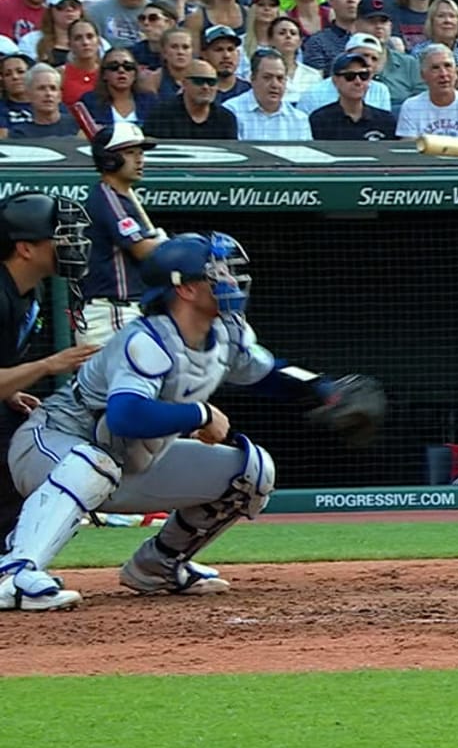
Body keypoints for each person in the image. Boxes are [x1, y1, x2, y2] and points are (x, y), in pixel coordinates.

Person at [0, 232, 369, 610]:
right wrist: (201, 413)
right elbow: (126, 415)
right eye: (217, 273)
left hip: (128, 463)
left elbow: (268, 373)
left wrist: (325, 390)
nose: (230, 280)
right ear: (186, 289)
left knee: (254, 470)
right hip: (50, 445)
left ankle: (158, 565)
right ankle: (14, 573)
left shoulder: (225, 333)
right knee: (94, 463)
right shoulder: (146, 340)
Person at [0, 192, 98, 543]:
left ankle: (12, 564)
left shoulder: (30, 290)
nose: (69, 243)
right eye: (58, 237)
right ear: (25, 248)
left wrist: (11, 392)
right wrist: (48, 365)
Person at [77, 122, 163, 346]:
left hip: (118, 313)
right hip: (110, 315)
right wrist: (167, 244)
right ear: (110, 159)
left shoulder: (119, 197)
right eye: (130, 152)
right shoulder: (108, 197)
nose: (140, 159)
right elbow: (142, 249)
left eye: (141, 152)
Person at [395, 42, 458, 140]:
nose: (443, 74)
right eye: (435, 68)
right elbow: (409, 151)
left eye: (448, 66)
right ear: (423, 76)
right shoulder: (411, 107)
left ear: (455, 72)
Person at [224, 48, 310, 139]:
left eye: (280, 78)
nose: (275, 85)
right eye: (267, 77)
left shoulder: (299, 120)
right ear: (252, 79)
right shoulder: (231, 112)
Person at [308, 50, 395, 139]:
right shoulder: (320, 120)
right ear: (335, 81)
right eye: (350, 76)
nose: (358, 81)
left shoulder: (385, 120)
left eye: (363, 75)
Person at [143, 56, 234, 137]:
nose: (205, 87)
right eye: (198, 81)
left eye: (211, 82)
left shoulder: (225, 118)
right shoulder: (161, 116)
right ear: (184, 83)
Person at [299, 0, 359, 72]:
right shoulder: (317, 42)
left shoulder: (373, 38)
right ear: (331, 2)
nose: (351, 0)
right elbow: (317, 81)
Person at [79, 44, 155, 124]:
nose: (121, 70)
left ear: (135, 74)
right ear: (104, 74)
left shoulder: (150, 101)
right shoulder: (89, 102)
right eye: (113, 66)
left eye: (128, 66)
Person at [9, 63, 80, 136]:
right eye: (41, 88)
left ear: (60, 96)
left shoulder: (79, 126)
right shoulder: (20, 133)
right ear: (28, 95)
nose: (48, 93)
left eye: (53, 88)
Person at [409, 0, 458, 69]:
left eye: (452, 16)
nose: (447, 20)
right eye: (441, 16)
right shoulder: (419, 54)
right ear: (431, 22)